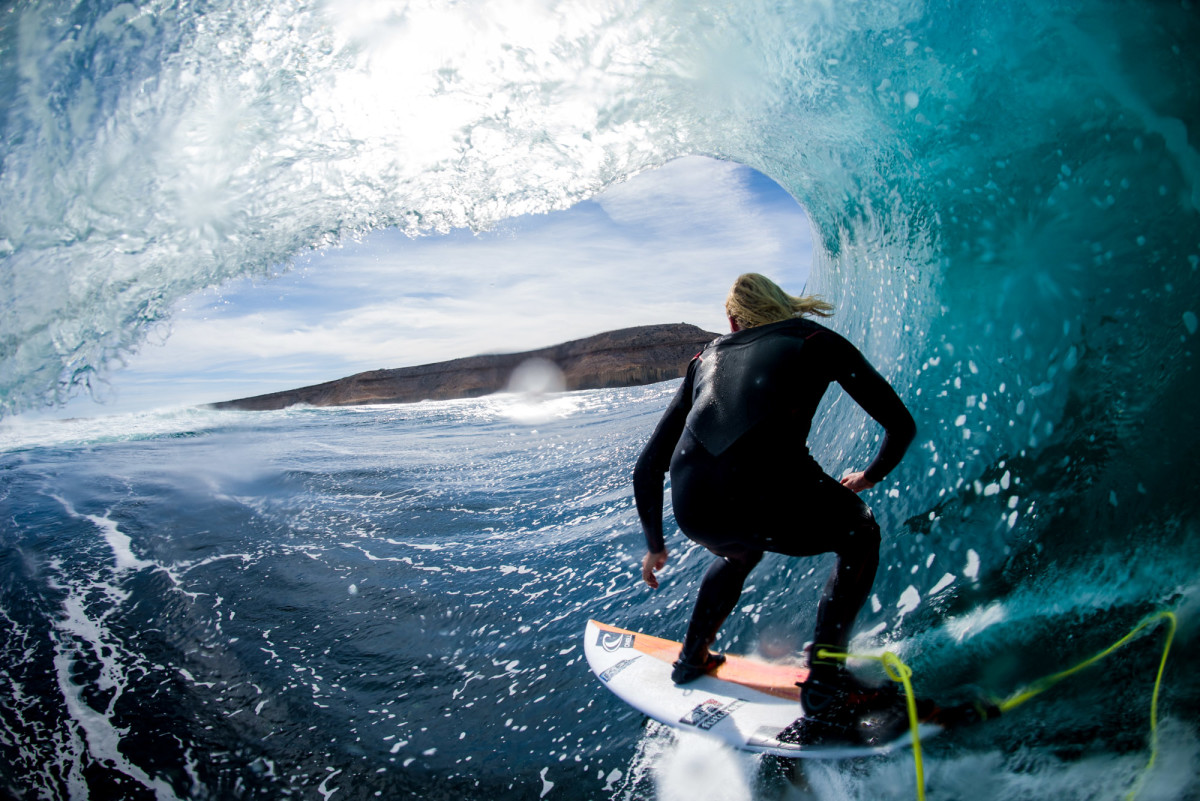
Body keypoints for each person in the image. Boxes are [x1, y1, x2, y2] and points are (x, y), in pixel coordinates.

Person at [632, 273, 915, 720]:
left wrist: (655, 544)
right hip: (770, 493)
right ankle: (825, 678)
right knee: (859, 533)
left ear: (732, 319)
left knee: (736, 553)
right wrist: (868, 477)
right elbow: (901, 426)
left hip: (695, 506)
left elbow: (649, 465)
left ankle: (691, 659)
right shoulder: (816, 339)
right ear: (782, 305)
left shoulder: (705, 357)